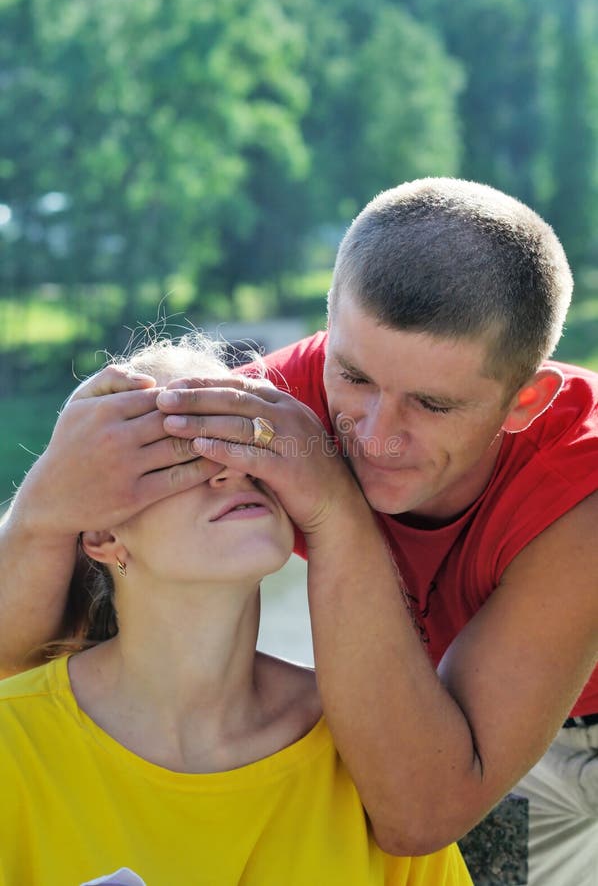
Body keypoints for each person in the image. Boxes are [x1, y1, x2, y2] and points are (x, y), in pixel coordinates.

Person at [1, 178, 597, 883]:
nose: (376, 436)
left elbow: (420, 813)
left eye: (431, 405)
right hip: (409, 713)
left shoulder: (578, 490)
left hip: (563, 743)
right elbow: (37, 656)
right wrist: (41, 511)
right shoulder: (279, 403)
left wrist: (334, 510)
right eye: (354, 377)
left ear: (524, 401)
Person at [0, 334, 473, 885]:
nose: (231, 470)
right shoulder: (13, 743)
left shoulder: (373, 755)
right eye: (185, 451)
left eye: (252, 442)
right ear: (103, 535)